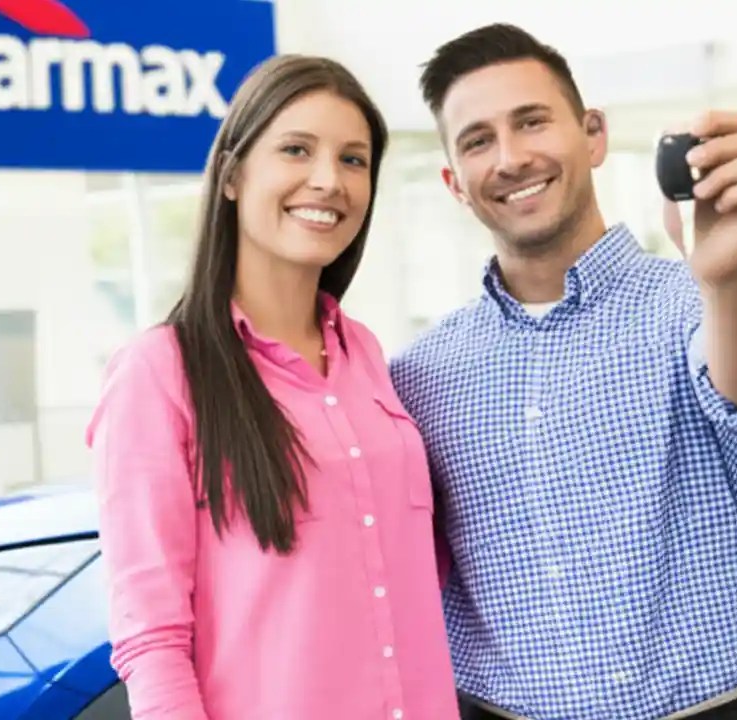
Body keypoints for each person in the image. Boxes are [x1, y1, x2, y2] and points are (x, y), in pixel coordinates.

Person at [389, 23, 737, 720]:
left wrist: (730, 277)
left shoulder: (695, 301)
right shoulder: (420, 374)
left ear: (592, 135)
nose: (512, 157)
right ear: (454, 183)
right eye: (478, 140)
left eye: (531, 122)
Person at [85, 54, 460, 720]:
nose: (328, 180)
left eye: (353, 160)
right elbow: (151, 638)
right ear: (231, 176)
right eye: (296, 149)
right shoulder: (158, 374)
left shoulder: (367, 354)